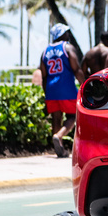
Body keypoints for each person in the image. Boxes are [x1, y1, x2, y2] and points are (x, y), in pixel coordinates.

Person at [40, 23, 84, 157]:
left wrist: (46, 92)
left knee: (56, 118)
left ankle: (59, 149)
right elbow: (76, 68)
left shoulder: (45, 51)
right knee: (73, 116)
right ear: (62, 34)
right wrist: (85, 84)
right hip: (67, 88)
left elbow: (43, 74)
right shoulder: (67, 47)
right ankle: (59, 136)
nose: (68, 35)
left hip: (51, 88)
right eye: (66, 32)